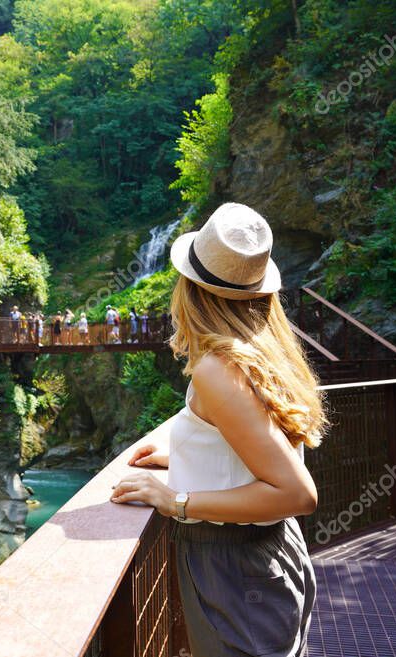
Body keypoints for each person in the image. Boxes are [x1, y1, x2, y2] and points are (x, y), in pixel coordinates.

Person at [110, 203, 324, 657]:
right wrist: (188, 456)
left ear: (191, 287)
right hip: (268, 555)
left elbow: (297, 493)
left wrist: (175, 501)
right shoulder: (264, 350)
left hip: (233, 565)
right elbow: (254, 441)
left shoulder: (218, 368)